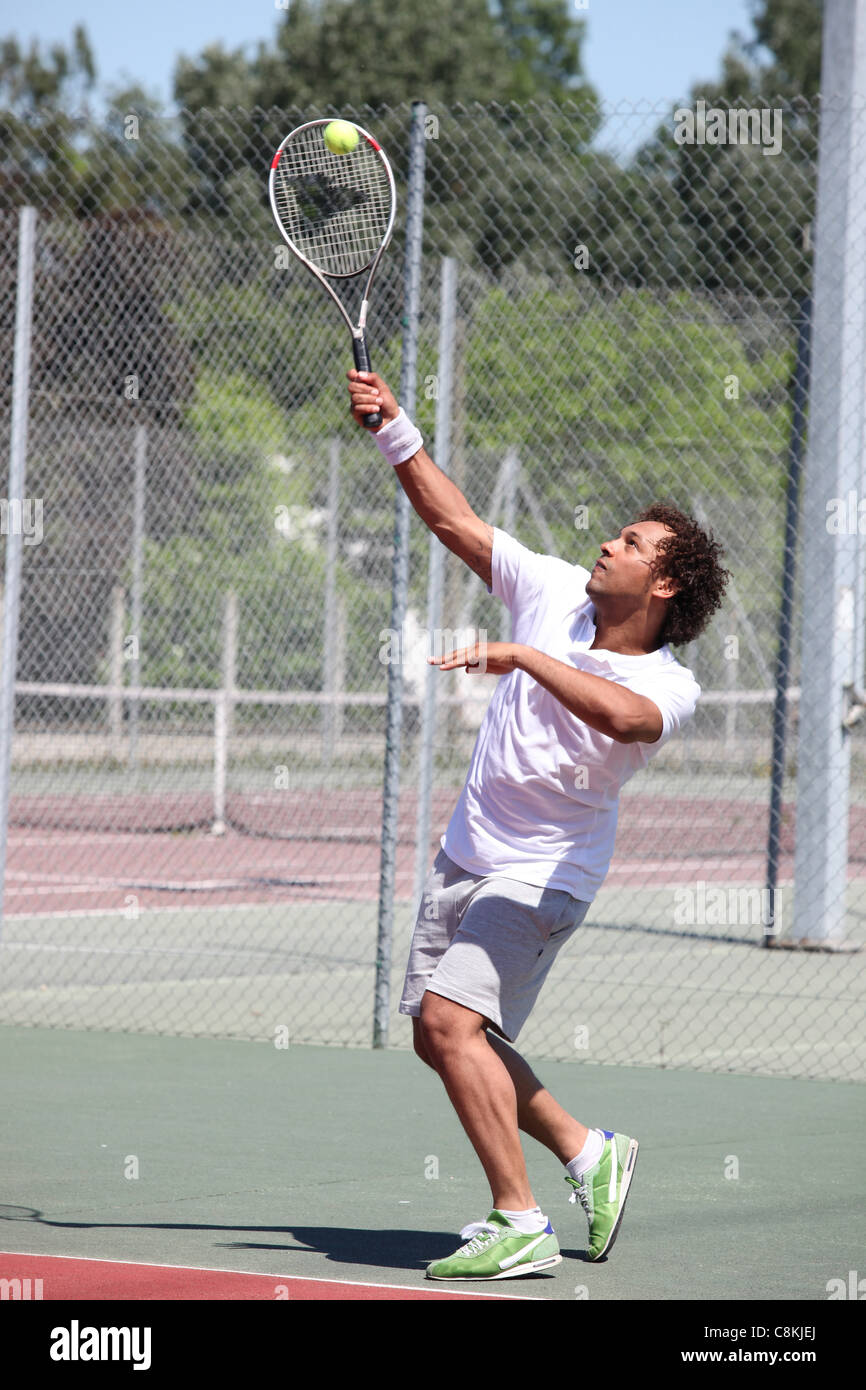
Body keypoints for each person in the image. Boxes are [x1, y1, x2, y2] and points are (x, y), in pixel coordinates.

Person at [347, 368, 730, 1282]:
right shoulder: (554, 590)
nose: (607, 543)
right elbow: (456, 523)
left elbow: (621, 718)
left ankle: (517, 1221)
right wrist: (396, 430)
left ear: (663, 582)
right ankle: (589, 1152)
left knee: (452, 1024)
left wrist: (524, 655)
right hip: (466, 851)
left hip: (545, 875)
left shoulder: (669, 685)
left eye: (630, 543)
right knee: (438, 1034)